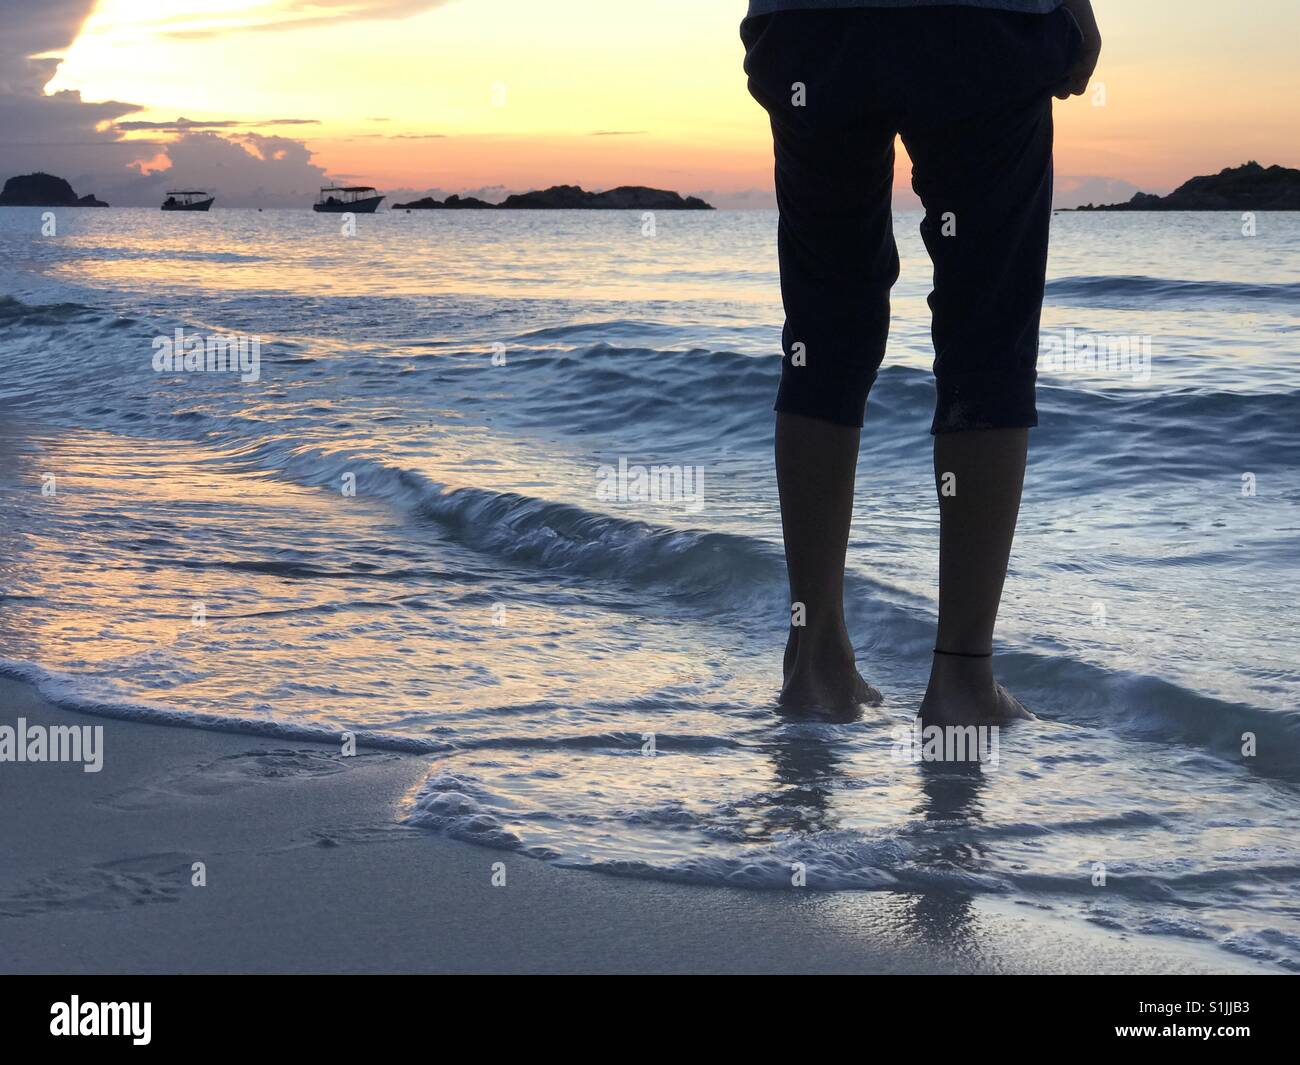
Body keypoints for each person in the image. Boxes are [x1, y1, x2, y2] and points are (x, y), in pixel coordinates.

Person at [741, 0, 1102, 722]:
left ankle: (815, 665)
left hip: (811, 23)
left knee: (822, 331)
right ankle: (962, 682)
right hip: (978, 22)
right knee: (987, 335)